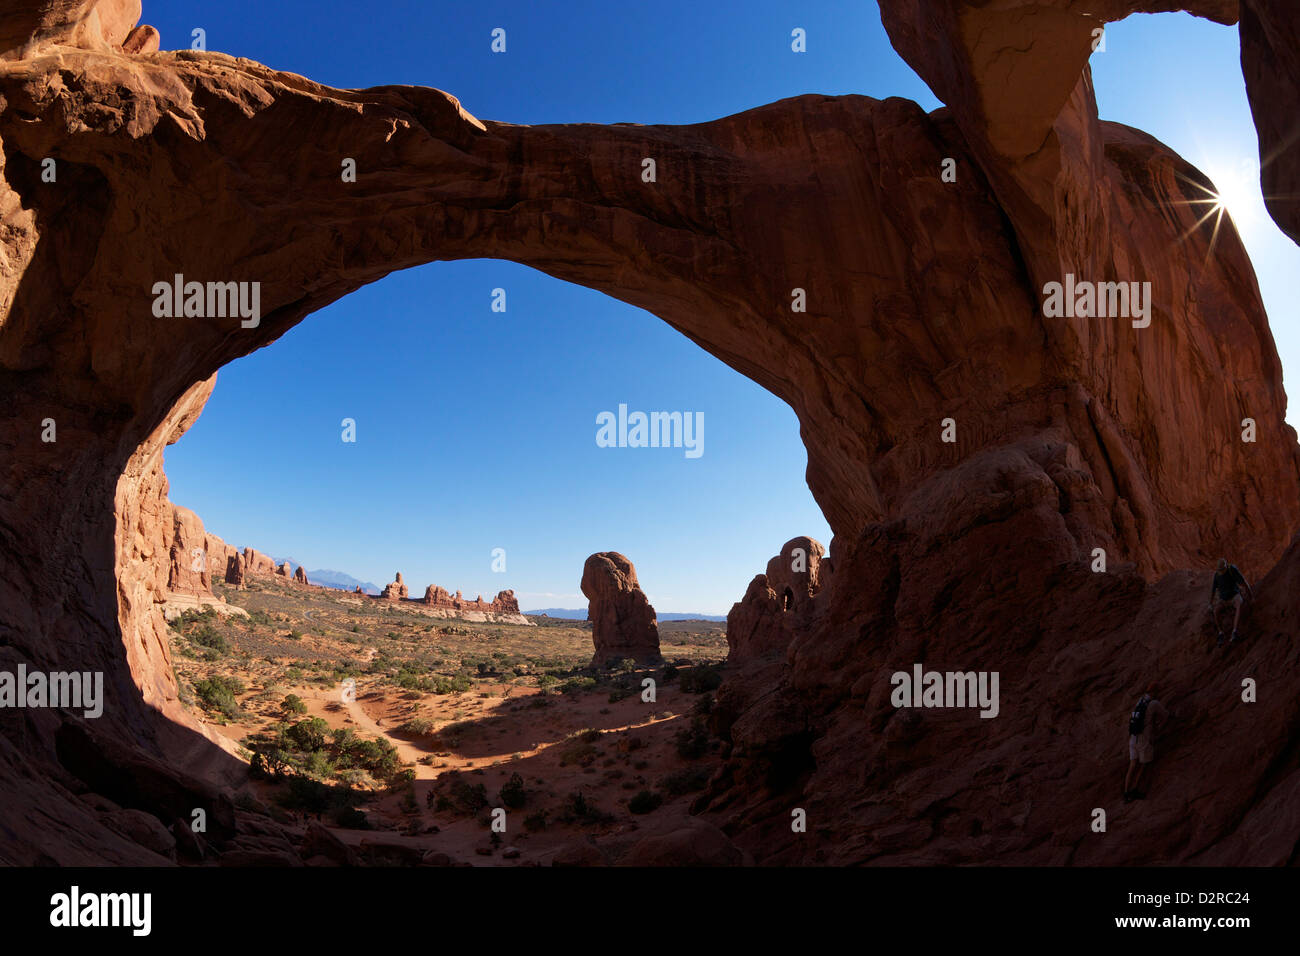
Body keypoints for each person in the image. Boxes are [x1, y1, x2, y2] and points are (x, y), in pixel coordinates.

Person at [1124, 684, 1169, 802]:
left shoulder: (1140, 701)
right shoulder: (1154, 704)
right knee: (1144, 764)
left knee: (1132, 765)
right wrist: (1159, 727)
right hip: (1144, 739)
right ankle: (1135, 790)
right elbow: (1165, 715)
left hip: (1133, 737)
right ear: (1154, 691)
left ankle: (1126, 792)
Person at [1208, 558, 1253, 645]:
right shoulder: (1217, 575)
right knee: (1216, 611)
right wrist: (1210, 603)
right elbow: (1213, 590)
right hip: (1223, 599)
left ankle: (1234, 631)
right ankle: (1221, 633)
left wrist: (1251, 596)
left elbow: (1243, 582)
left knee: (1239, 604)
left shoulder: (1232, 570)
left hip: (1234, 596)